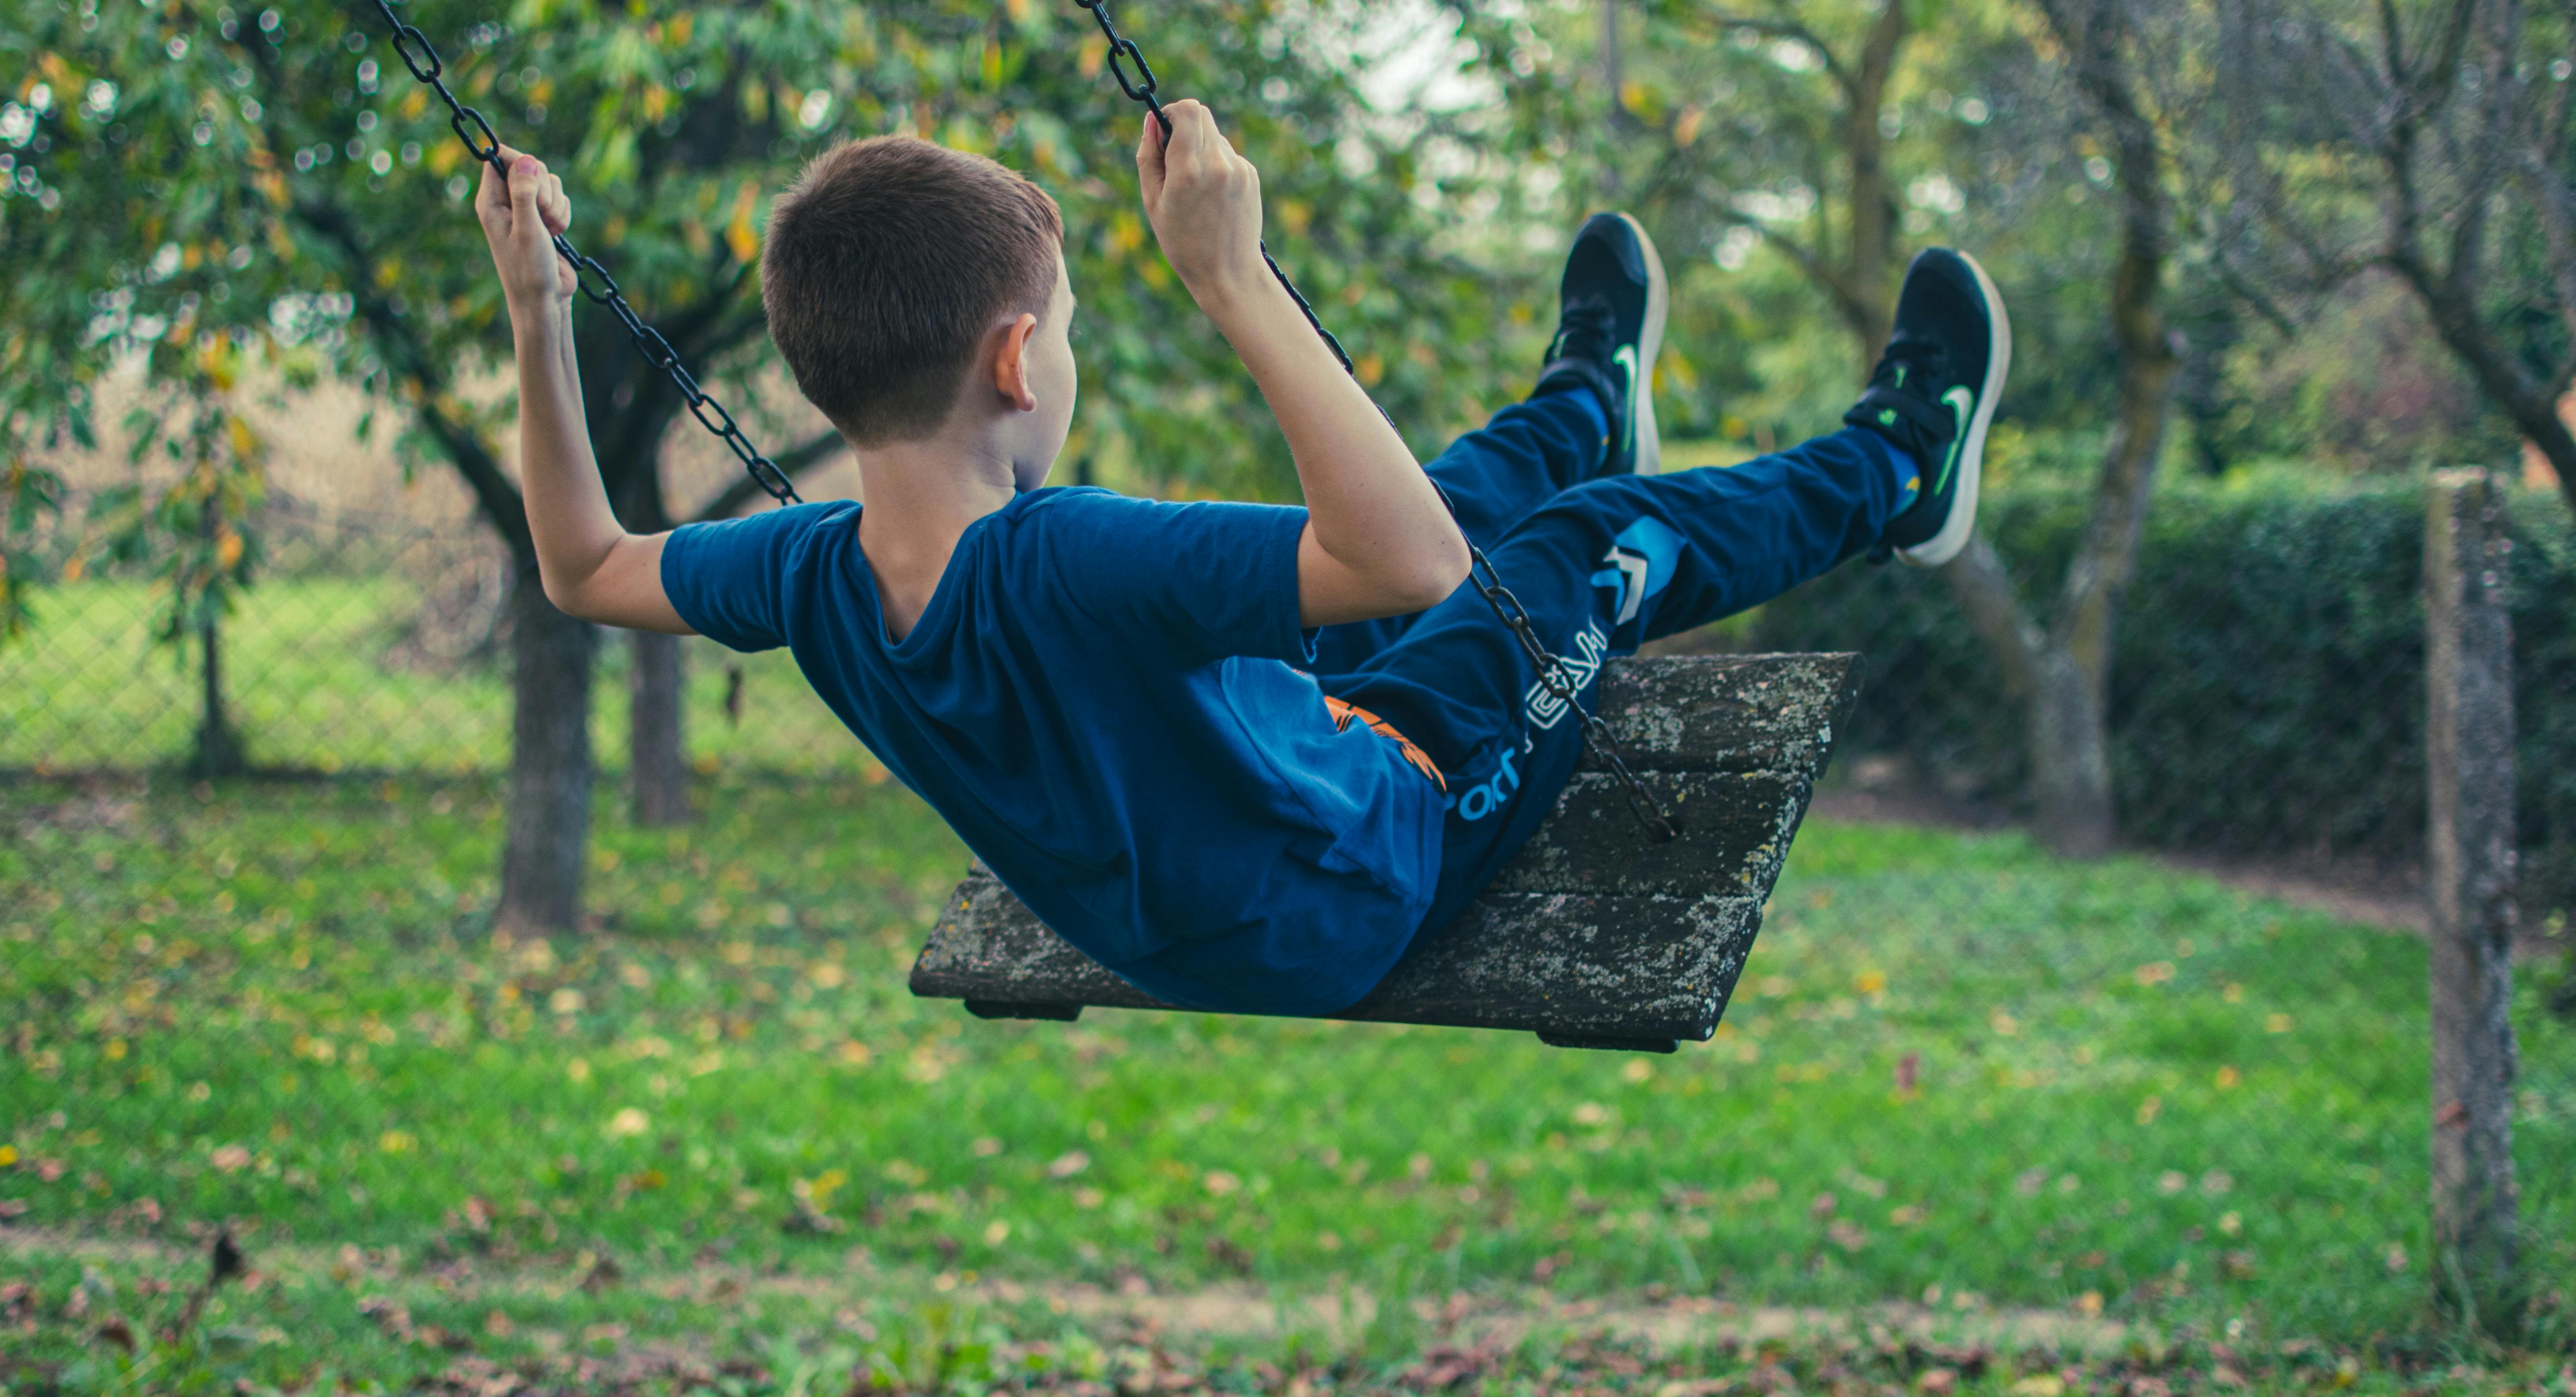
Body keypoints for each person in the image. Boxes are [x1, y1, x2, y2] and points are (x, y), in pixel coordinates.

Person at [472, 100, 2006, 1016]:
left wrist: (539, 314)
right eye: (1066, 333)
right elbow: (1409, 569)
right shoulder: (1068, 561)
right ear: (1015, 363)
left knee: (1452, 495)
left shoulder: (810, 570)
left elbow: (585, 566)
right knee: (1580, 541)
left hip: (1230, 862)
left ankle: (1581, 406)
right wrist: (1232, 277)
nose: (1067, 358)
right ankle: (1899, 469)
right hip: (1364, 866)